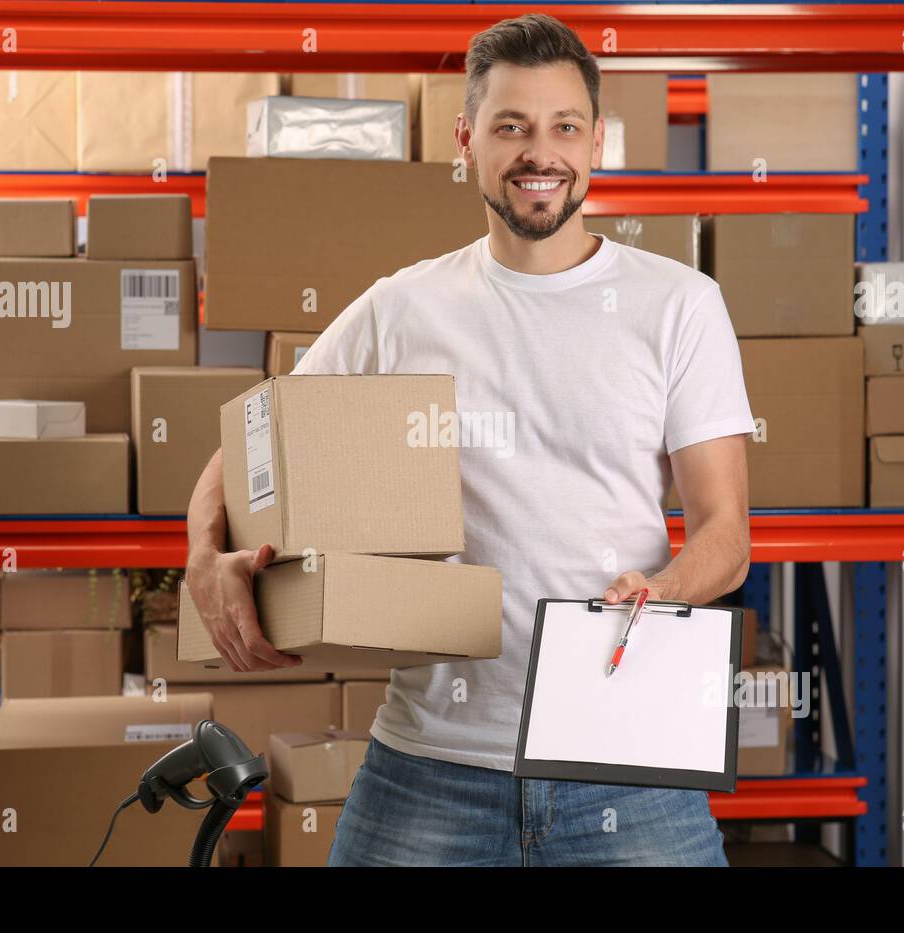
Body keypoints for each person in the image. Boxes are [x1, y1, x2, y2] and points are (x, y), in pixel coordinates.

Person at [185, 13, 755, 866]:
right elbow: (244, 454)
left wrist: (668, 584)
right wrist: (205, 557)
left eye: (565, 126)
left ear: (597, 140)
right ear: (467, 140)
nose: (541, 152)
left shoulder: (677, 305)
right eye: (511, 127)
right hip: (430, 766)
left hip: (627, 762)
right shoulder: (402, 308)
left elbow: (727, 534)